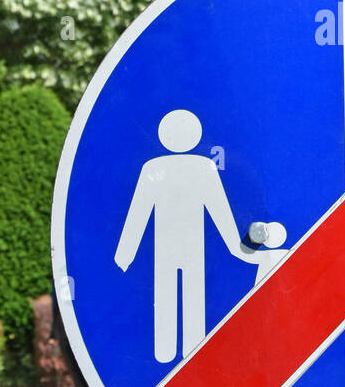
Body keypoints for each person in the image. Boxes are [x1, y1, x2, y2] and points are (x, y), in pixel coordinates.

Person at [115, 109, 285, 363]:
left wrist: (125, 255)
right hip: (184, 244)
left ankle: (167, 351)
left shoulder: (157, 167)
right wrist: (236, 247)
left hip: (175, 245)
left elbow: (140, 213)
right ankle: (186, 350)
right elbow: (218, 211)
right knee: (187, 291)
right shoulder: (198, 167)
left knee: (170, 291)